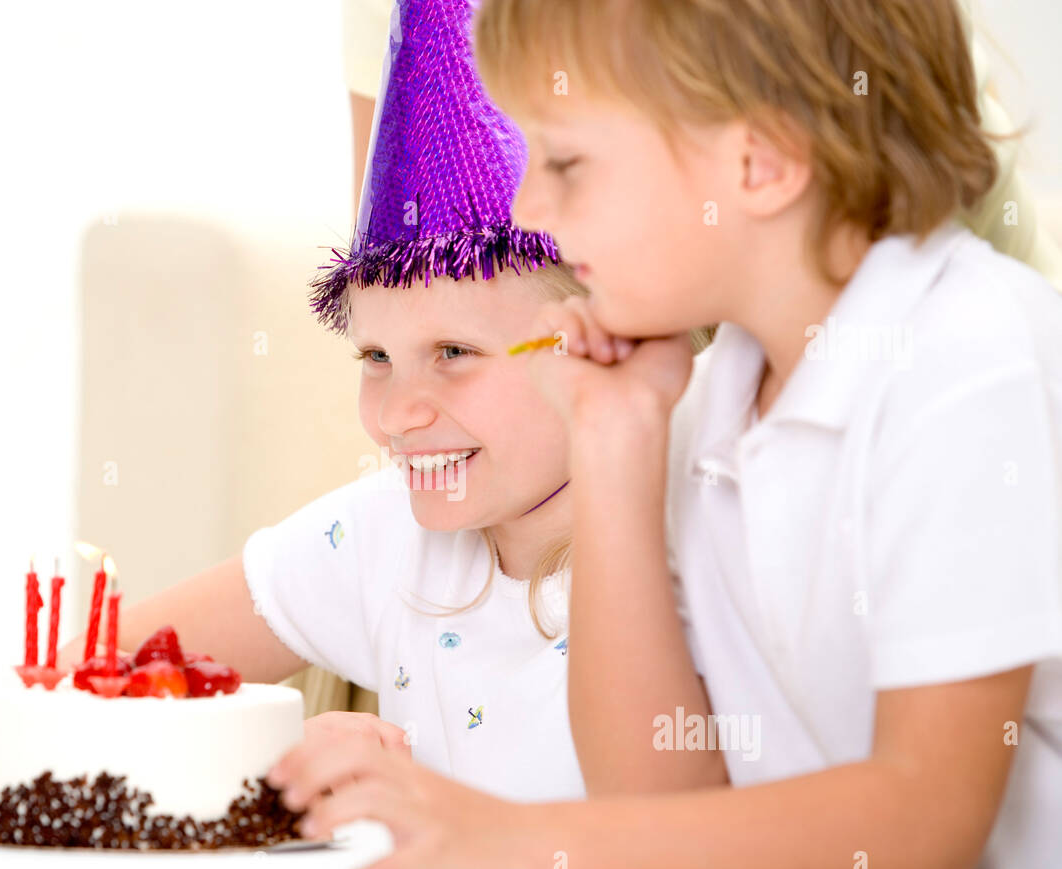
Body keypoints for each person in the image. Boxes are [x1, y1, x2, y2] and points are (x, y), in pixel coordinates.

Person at [269, 0, 1062, 869]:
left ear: (760, 164)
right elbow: (650, 786)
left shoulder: (963, 352)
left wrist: (516, 842)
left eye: (566, 162)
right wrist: (613, 449)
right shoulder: (710, 402)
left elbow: (923, 823)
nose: (529, 206)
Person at [62, 0, 725, 802]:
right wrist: (262, 754)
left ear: (597, 330)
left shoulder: (713, 525)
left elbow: (670, 829)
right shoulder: (379, 534)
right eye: (375, 356)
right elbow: (81, 674)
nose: (396, 415)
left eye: (453, 353)